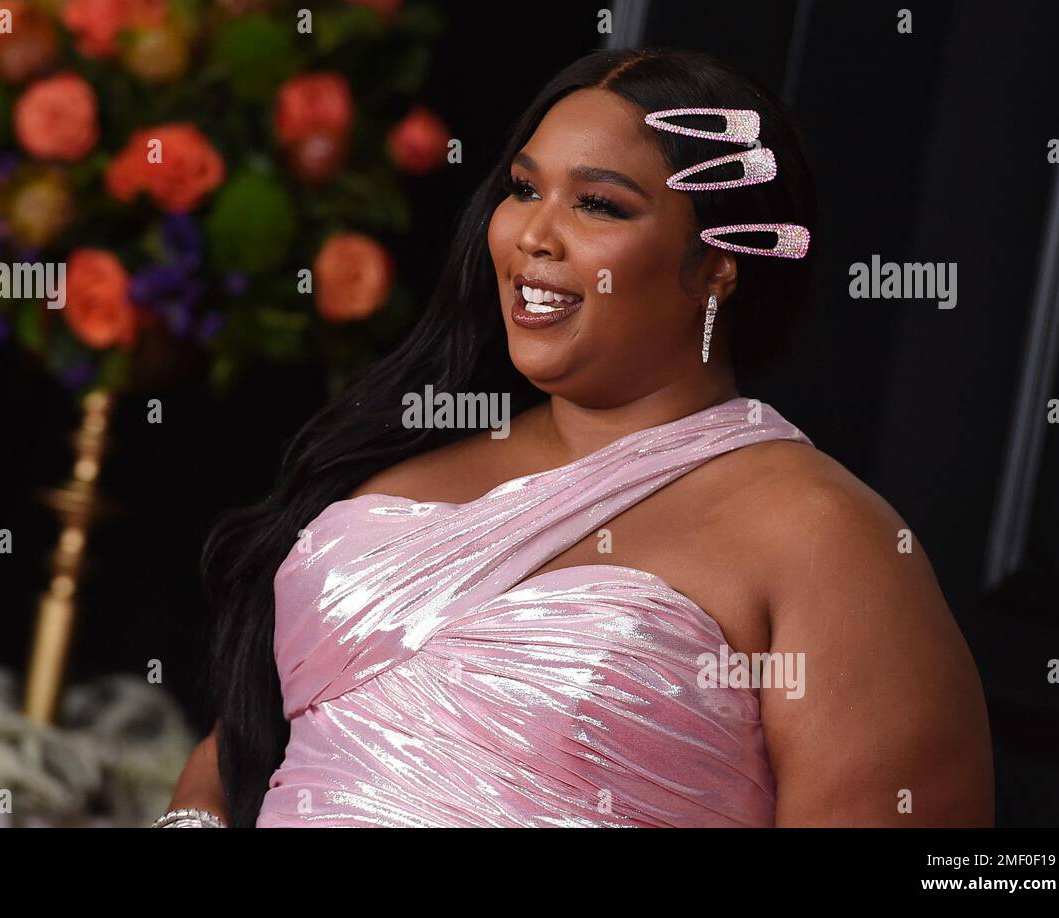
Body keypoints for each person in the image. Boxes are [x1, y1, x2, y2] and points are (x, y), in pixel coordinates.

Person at [161, 47, 993, 828]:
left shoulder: (823, 534)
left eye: (597, 204)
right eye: (524, 189)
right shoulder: (404, 447)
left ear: (718, 266)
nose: (533, 235)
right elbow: (252, 733)